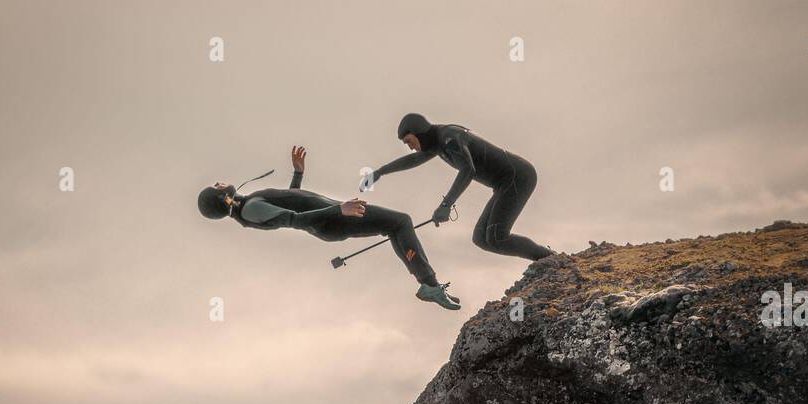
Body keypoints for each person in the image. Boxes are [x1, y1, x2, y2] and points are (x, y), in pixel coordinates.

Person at [198, 146, 460, 310]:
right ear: (222, 198)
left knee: (396, 226)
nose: (221, 183)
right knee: (400, 222)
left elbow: (294, 204)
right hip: (332, 219)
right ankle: (429, 285)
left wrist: (298, 174)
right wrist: (339, 210)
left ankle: (428, 284)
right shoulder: (249, 209)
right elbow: (295, 220)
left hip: (332, 217)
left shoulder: (247, 206)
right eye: (217, 186)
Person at [364, 113, 554, 262]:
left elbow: (467, 170)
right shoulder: (437, 143)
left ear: (418, 132)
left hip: (518, 176)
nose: (410, 147)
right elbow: (412, 160)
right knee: (481, 238)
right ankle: (547, 260)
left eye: (409, 142)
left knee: (496, 237)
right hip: (504, 183)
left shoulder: (449, 137)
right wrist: (380, 172)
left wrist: (446, 205)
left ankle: (549, 260)